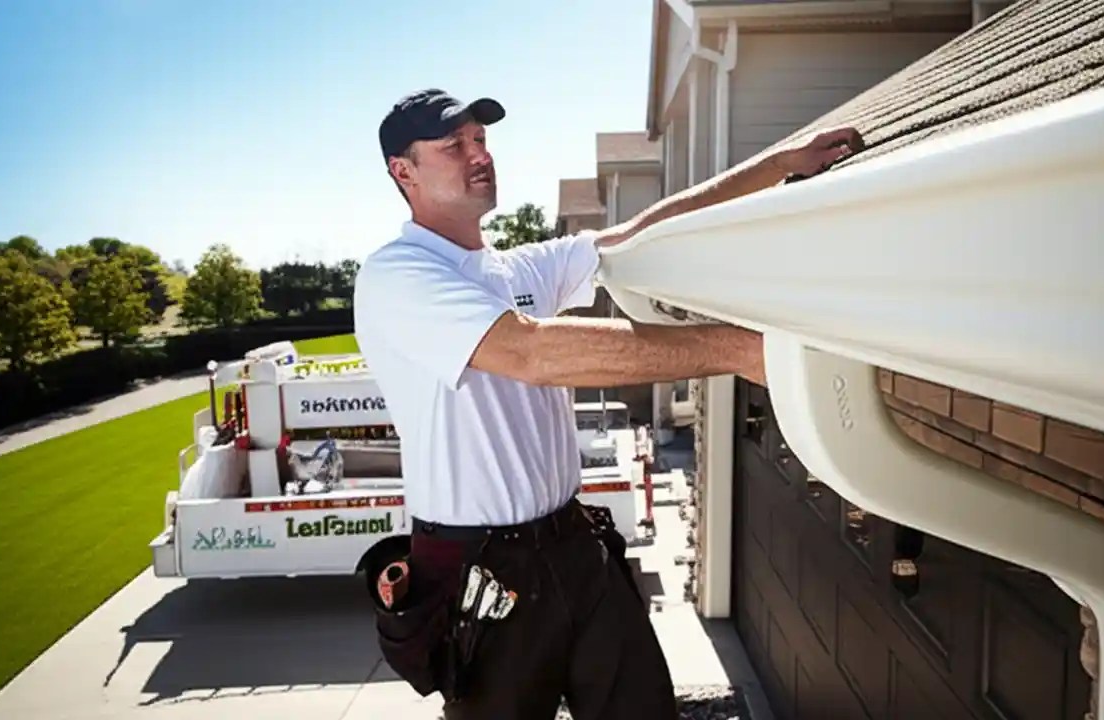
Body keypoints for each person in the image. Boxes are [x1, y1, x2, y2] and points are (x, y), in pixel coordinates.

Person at [353, 88, 863, 720]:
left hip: (574, 548)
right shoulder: (396, 276)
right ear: (403, 171)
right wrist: (738, 350)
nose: (477, 154)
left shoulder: (515, 272)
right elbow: (531, 354)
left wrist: (773, 168)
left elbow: (638, 234)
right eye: (452, 145)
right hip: (479, 573)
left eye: (481, 140)